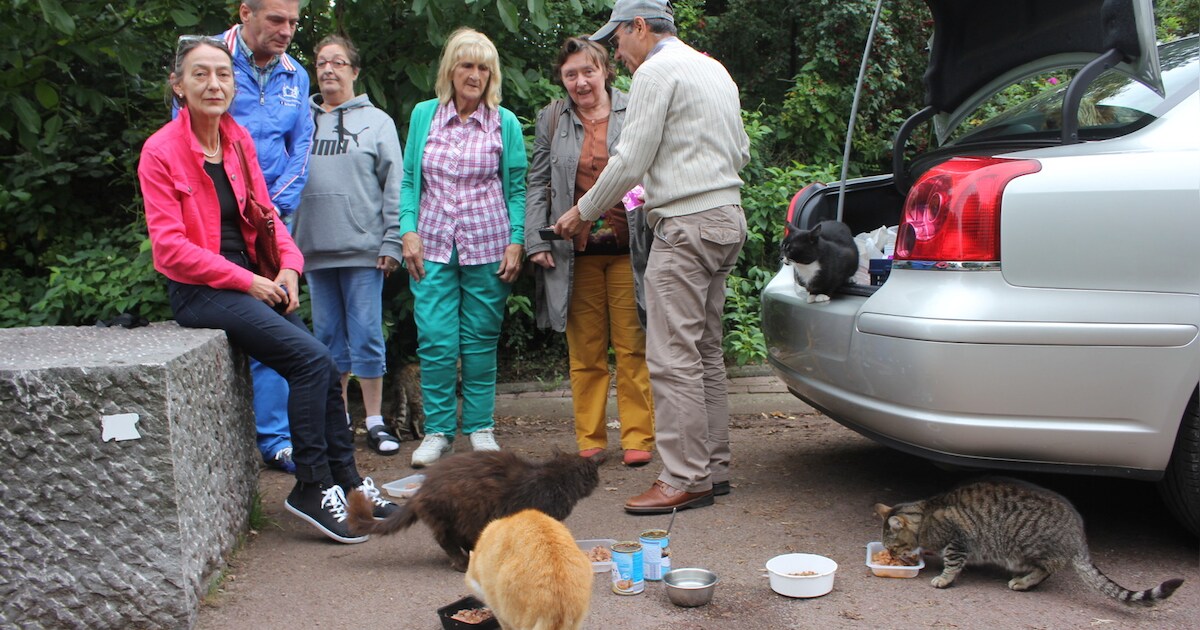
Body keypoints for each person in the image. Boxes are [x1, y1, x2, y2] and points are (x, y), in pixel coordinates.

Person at [138, 36, 397, 543]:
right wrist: (248, 280)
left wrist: (289, 269)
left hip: (253, 278)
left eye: (223, 74)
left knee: (320, 361)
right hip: (202, 289)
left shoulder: (235, 139)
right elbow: (170, 250)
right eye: (201, 74)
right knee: (311, 360)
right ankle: (311, 486)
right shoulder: (161, 151)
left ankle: (347, 482)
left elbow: (269, 219)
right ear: (178, 86)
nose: (215, 84)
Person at [554, 0, 750, 514]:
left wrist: (584, 211)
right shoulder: (715, 69)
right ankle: (715, 467)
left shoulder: (656, 72)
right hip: (726, 216)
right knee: (704, 350)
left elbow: (631, 158)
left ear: (640, 27)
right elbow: (742, 150)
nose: (616, 52)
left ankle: (685, 477)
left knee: (670, 356)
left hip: (684, 227)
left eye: (617, 39)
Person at [400, 27, 527, 468]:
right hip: (431, 243)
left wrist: (516, 240)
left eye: (483, 67)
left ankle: (479, 429)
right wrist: (407, 229)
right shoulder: (423, 116)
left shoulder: (504, 122)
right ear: (451, 70)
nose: (474, 74)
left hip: (489, 243)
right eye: (467, 65)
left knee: (479, 340)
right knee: (435, 339)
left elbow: (516, 189)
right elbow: (410, 181)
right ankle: (438, 432)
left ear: (491, 74)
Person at [525, 37, 654, 467]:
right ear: (562, 79)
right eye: (570, 74)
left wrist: (639, 209)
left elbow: (648, 168)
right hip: (573, 255)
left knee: (633, 346)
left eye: (588, 71)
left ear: (605, 70)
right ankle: (591, 439)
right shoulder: (551, 118)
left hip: (628, 249)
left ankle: (638, 437)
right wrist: (537, 241)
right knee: (585, 352)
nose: (580, 82)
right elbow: (537, 181)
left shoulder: (634, 105)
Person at [292, 34, 404, 456]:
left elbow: (394, 185)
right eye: (321, 62)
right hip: (313, 250)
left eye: (338, 62)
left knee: (367, 334)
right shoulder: (300, 120)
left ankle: (374, 420)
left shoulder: (377, 122)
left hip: (363, 249)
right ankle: (337, 421)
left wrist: (392, 241)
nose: (328, 70)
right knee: (326, 340)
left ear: (354, 71)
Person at [217, 0, 315, 474]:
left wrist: (271, 210)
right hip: (216, 218)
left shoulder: (296, 74)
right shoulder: (209, 60)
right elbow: (185, 136)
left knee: (277, 318)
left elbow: (302, 149)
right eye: (277, 20)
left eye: (293, 22)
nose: (287, 31)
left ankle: (277, 439)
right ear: (245, 12)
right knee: (233, 320)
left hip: (273, 217)